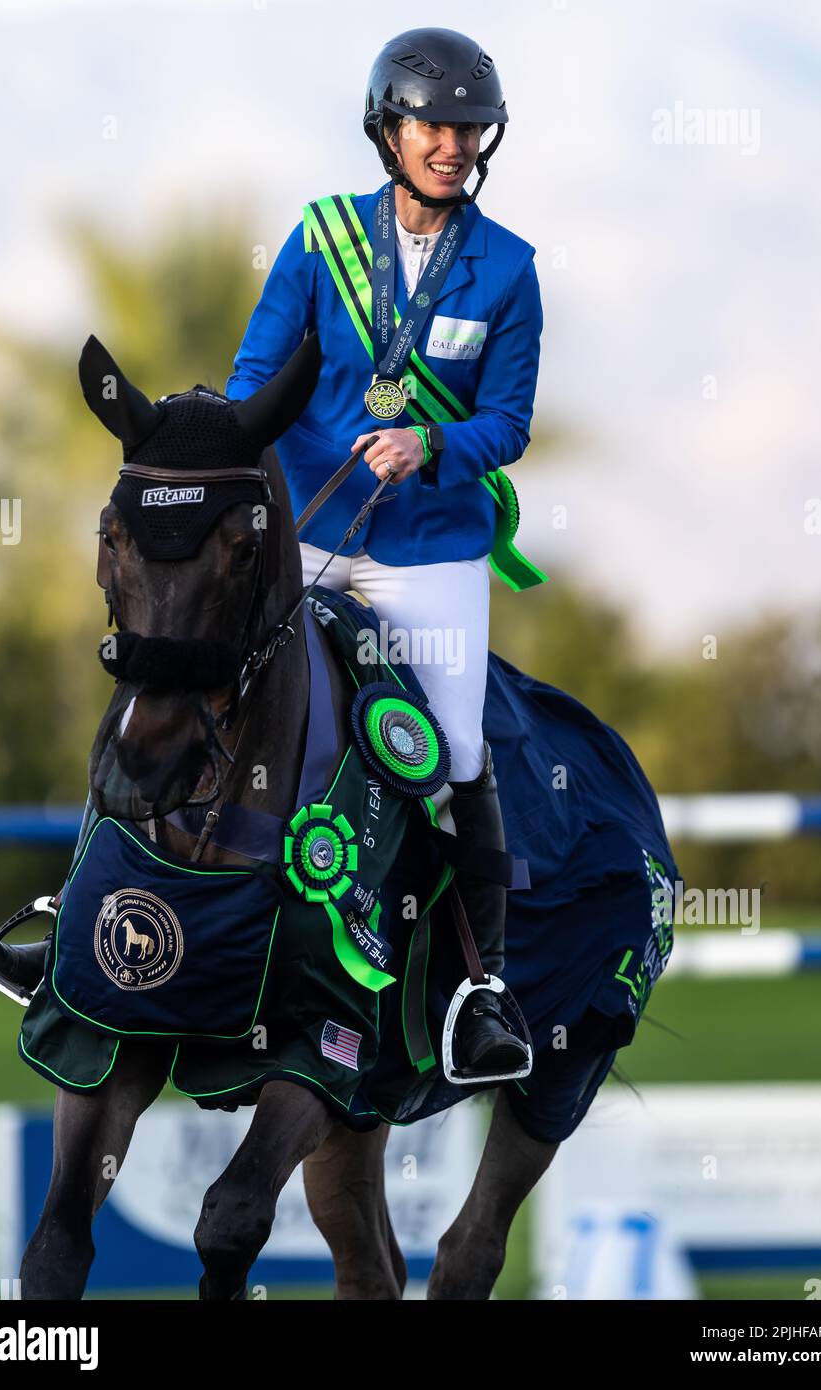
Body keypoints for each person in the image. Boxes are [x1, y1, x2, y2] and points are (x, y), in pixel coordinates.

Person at [224, 27, 543, 1075]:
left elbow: (507, 423)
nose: (452, 143)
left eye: (467, 127)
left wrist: (433, 441)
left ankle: (482, 990)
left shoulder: (509, 270)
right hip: (314, 531)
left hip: (429, 551)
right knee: (199, 689)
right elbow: (253, 384)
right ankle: (98, 906)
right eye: (432, 124)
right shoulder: (320, 240)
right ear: (388, 131)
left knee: (451, 753)